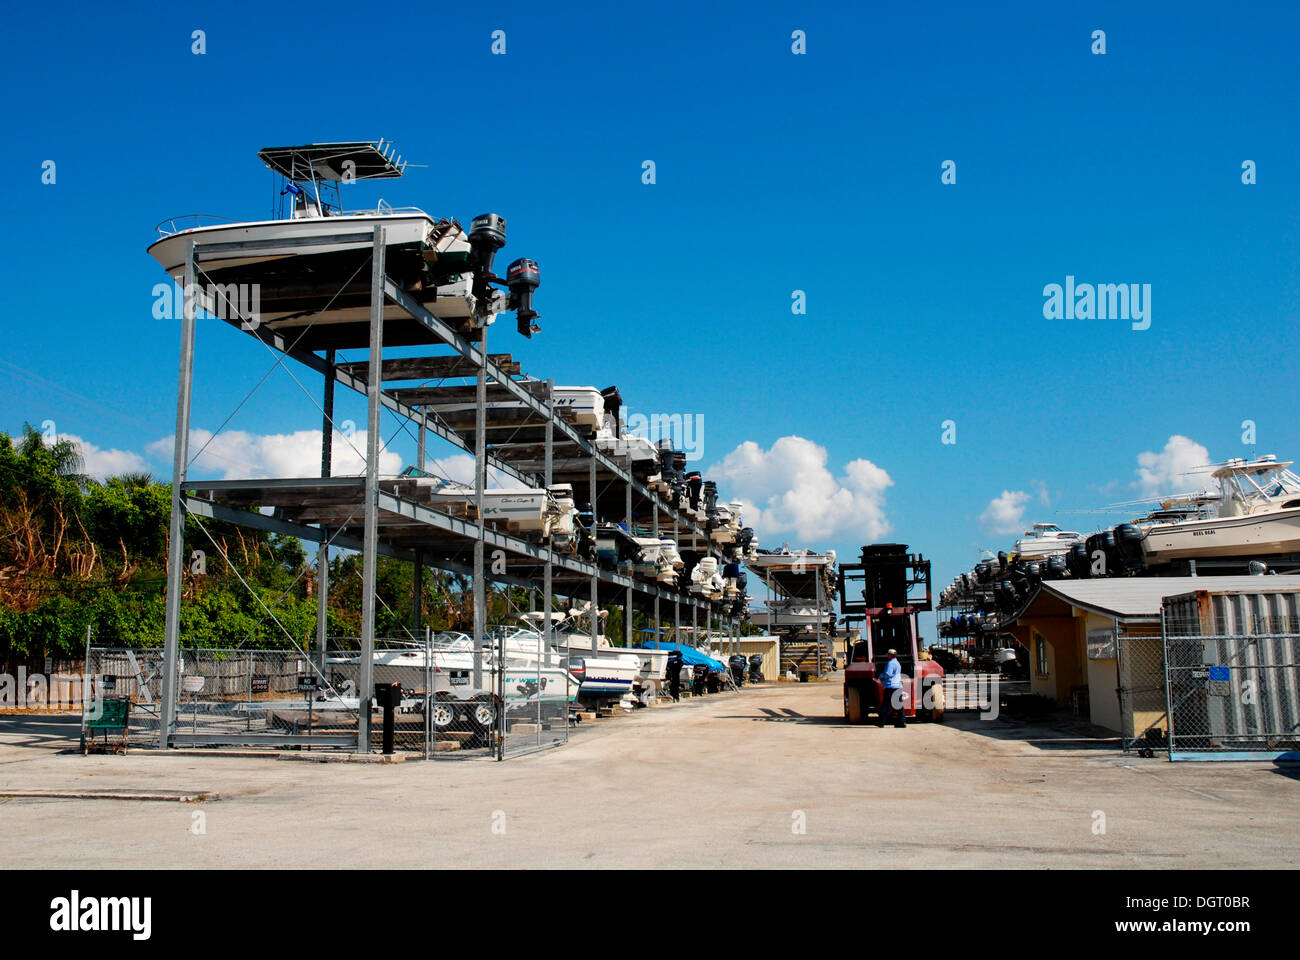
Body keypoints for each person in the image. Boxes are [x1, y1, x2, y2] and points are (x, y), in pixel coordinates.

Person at [878, 648, 906, 728]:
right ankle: (902, 722)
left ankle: (882, 722)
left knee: (886, 705)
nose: (887, 656)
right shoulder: (897, 663)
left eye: (888, 654)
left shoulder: (890, 663)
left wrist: (881, 676)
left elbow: (888, 674)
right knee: (899, 705)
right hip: (898, 686)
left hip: (890, 686)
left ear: (890, 655)